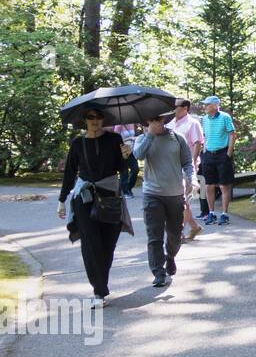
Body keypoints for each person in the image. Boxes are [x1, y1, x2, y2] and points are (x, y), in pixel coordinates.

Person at [57, 108, 130, 305]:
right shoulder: (78, 143)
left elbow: (126, 171)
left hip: (110, 197)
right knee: (91, 244)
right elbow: (70, 173)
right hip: (85, 198)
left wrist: (127, 157)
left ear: (103, 119)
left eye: (98, 117)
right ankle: (99, 291)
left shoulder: (115, 139)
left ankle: (101, 285)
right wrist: (61, 200)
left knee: (108, 245)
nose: (95, 121)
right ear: (85, 120)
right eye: (91, 117)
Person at [134, 112, 193, 288]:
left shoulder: (177, 138)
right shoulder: (142, 139)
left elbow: (188, 162)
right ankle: (158, 272)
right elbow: (138, 155)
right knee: (154, 236)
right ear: (147, 122)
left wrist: (192, 179)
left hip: (175, 194)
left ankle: (170, 256)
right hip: (152, 194)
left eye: (158, 120)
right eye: (152, 121)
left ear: (164, 121)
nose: (156, 124)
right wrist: (150, 134)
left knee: (175, 235)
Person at [166, 99, 205, 240]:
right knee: (179, 200)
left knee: (181, 199)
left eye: (175, 106)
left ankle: (179, 233)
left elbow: (197, 144)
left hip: (186, 167)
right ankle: (194, 227)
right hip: (171, 166)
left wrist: (193, 164)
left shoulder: (192, 123)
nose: (173, 109)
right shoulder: (170, 123)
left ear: (185, 108)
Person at [198, 95, 236, 226]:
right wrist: (203, 151)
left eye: (207, 105)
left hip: (222, 154)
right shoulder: (204, 119)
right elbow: (204, 135)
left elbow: (232, 134)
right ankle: (211, 213)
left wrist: (229, 152)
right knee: (208, 185)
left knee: (224, 185)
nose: (205, 107)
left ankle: (224, 214)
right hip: (208, 154)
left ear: (215, 105)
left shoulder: (225, 117)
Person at [112, 122, 140, 197]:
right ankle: (125, 191)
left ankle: (128, 188)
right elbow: (115, 140)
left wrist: (134, 138)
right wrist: (130, 138)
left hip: (131, 151)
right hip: (122, 152)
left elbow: (133, 136)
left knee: (135, 169)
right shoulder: (119, 125)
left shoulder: (131, 124)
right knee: (124, 173)